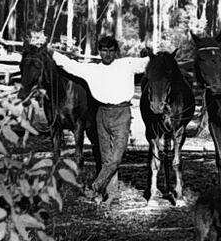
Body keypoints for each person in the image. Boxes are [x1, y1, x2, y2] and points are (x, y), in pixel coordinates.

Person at [51, 35, 148, 204]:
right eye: (104, 51)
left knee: (116, 157)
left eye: (111, 51)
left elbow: (148, 62)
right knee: (106, 158)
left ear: (116, 52)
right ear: (99, 52)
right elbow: (70, 65)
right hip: (101, 113)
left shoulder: (127, 64)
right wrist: (51, 53)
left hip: (122, 113)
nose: (108, 54)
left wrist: (157, 55)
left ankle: (95, 187)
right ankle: (111, 194)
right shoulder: (92, 69)